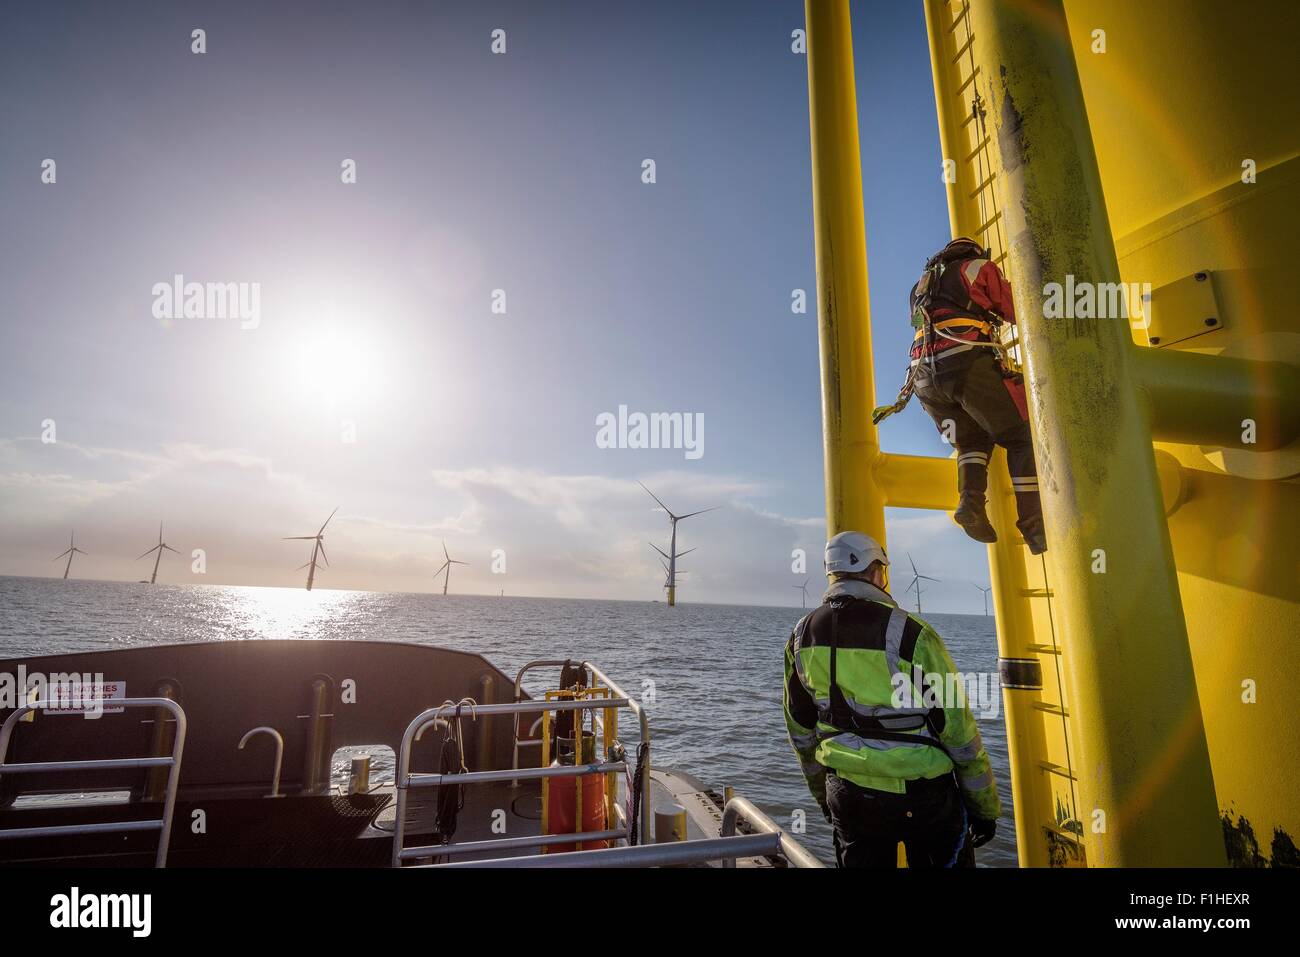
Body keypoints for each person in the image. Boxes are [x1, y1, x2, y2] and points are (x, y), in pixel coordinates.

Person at [783, 530, 1001, 867]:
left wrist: (823, 795)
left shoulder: (801, 636)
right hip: (924, 797)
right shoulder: (911, 634)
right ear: (875, 572)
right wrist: (984, 809)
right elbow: (957, 731)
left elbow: (800, 730)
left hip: (848, 794)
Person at [874, 237, 1046, 554]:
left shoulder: (920, 286)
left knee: (971, 441)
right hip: (965, 364)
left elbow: (925, 325)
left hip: (924, 380)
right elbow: (1017, 309)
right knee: (1020, 436)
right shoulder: (978, 268)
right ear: (974, 253)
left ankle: (971, 504)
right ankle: (1035, 524)